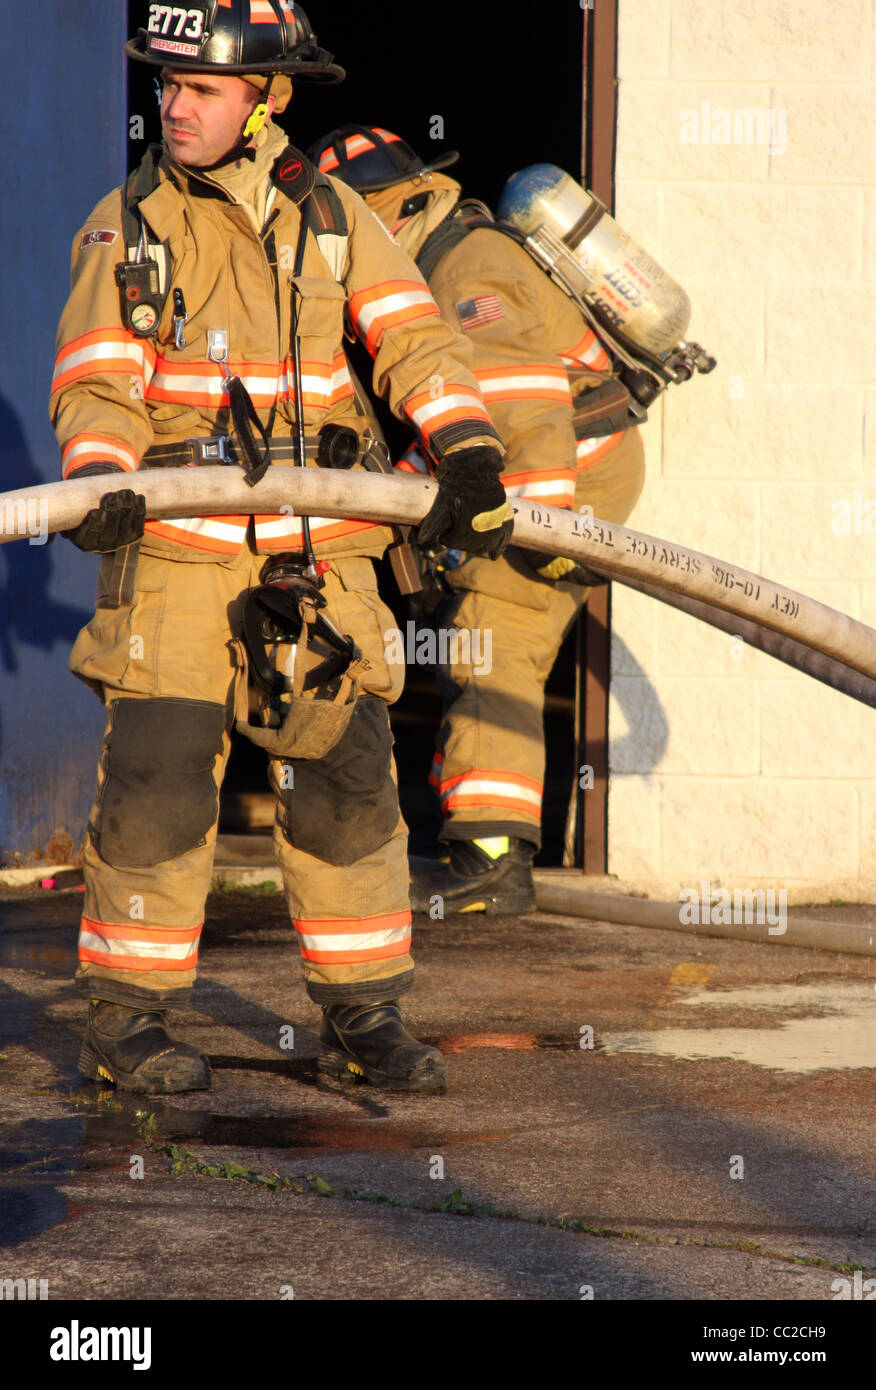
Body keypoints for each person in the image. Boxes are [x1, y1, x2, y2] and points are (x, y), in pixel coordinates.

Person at [52, 3, 513, 1096]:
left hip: (327, 560)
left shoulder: (339, 219)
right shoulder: (130, 223)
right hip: (176, 560)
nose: (173, 107)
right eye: (165, 86)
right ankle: (125, 1023)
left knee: (350, 790)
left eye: (200, 89)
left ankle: (367, 1015)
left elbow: (416, 339)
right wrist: (99, 483)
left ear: (270, 98)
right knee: (157, 797)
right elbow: (98, 382)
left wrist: (469, 451)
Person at [309, 126, 647, 915]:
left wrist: (552, 530)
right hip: (536, 471)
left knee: (494, 643)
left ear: (389, 208)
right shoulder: (435, 257)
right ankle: (481, 841)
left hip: (566, 478)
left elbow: (522, 406)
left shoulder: (467, 263)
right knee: (474, 630)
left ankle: (492, 859)